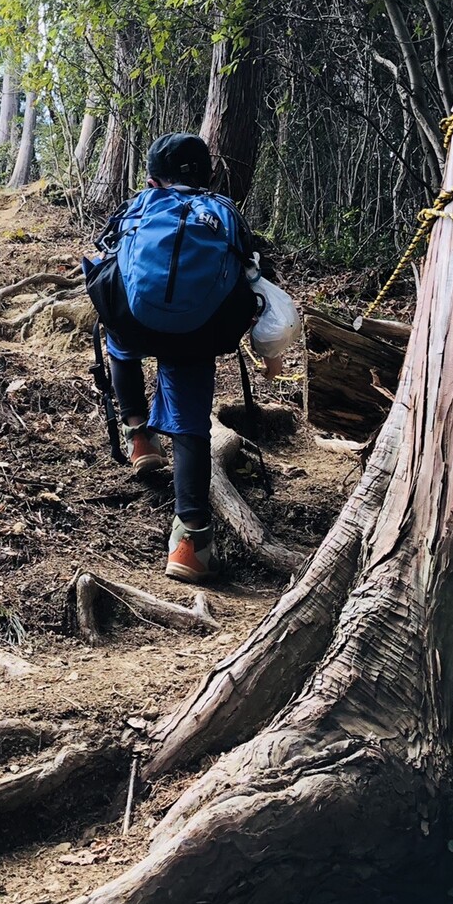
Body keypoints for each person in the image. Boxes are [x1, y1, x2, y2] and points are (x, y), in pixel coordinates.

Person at [102, 133, 278, 583]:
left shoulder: (140, 204)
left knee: (120, 343)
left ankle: (139, 437)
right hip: (195, 334)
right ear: (209, 176)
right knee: (189, 422)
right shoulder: (223, 213)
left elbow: (108, 257)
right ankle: (191, 544)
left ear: (150, 177)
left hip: (137, 323)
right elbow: (257, 276)